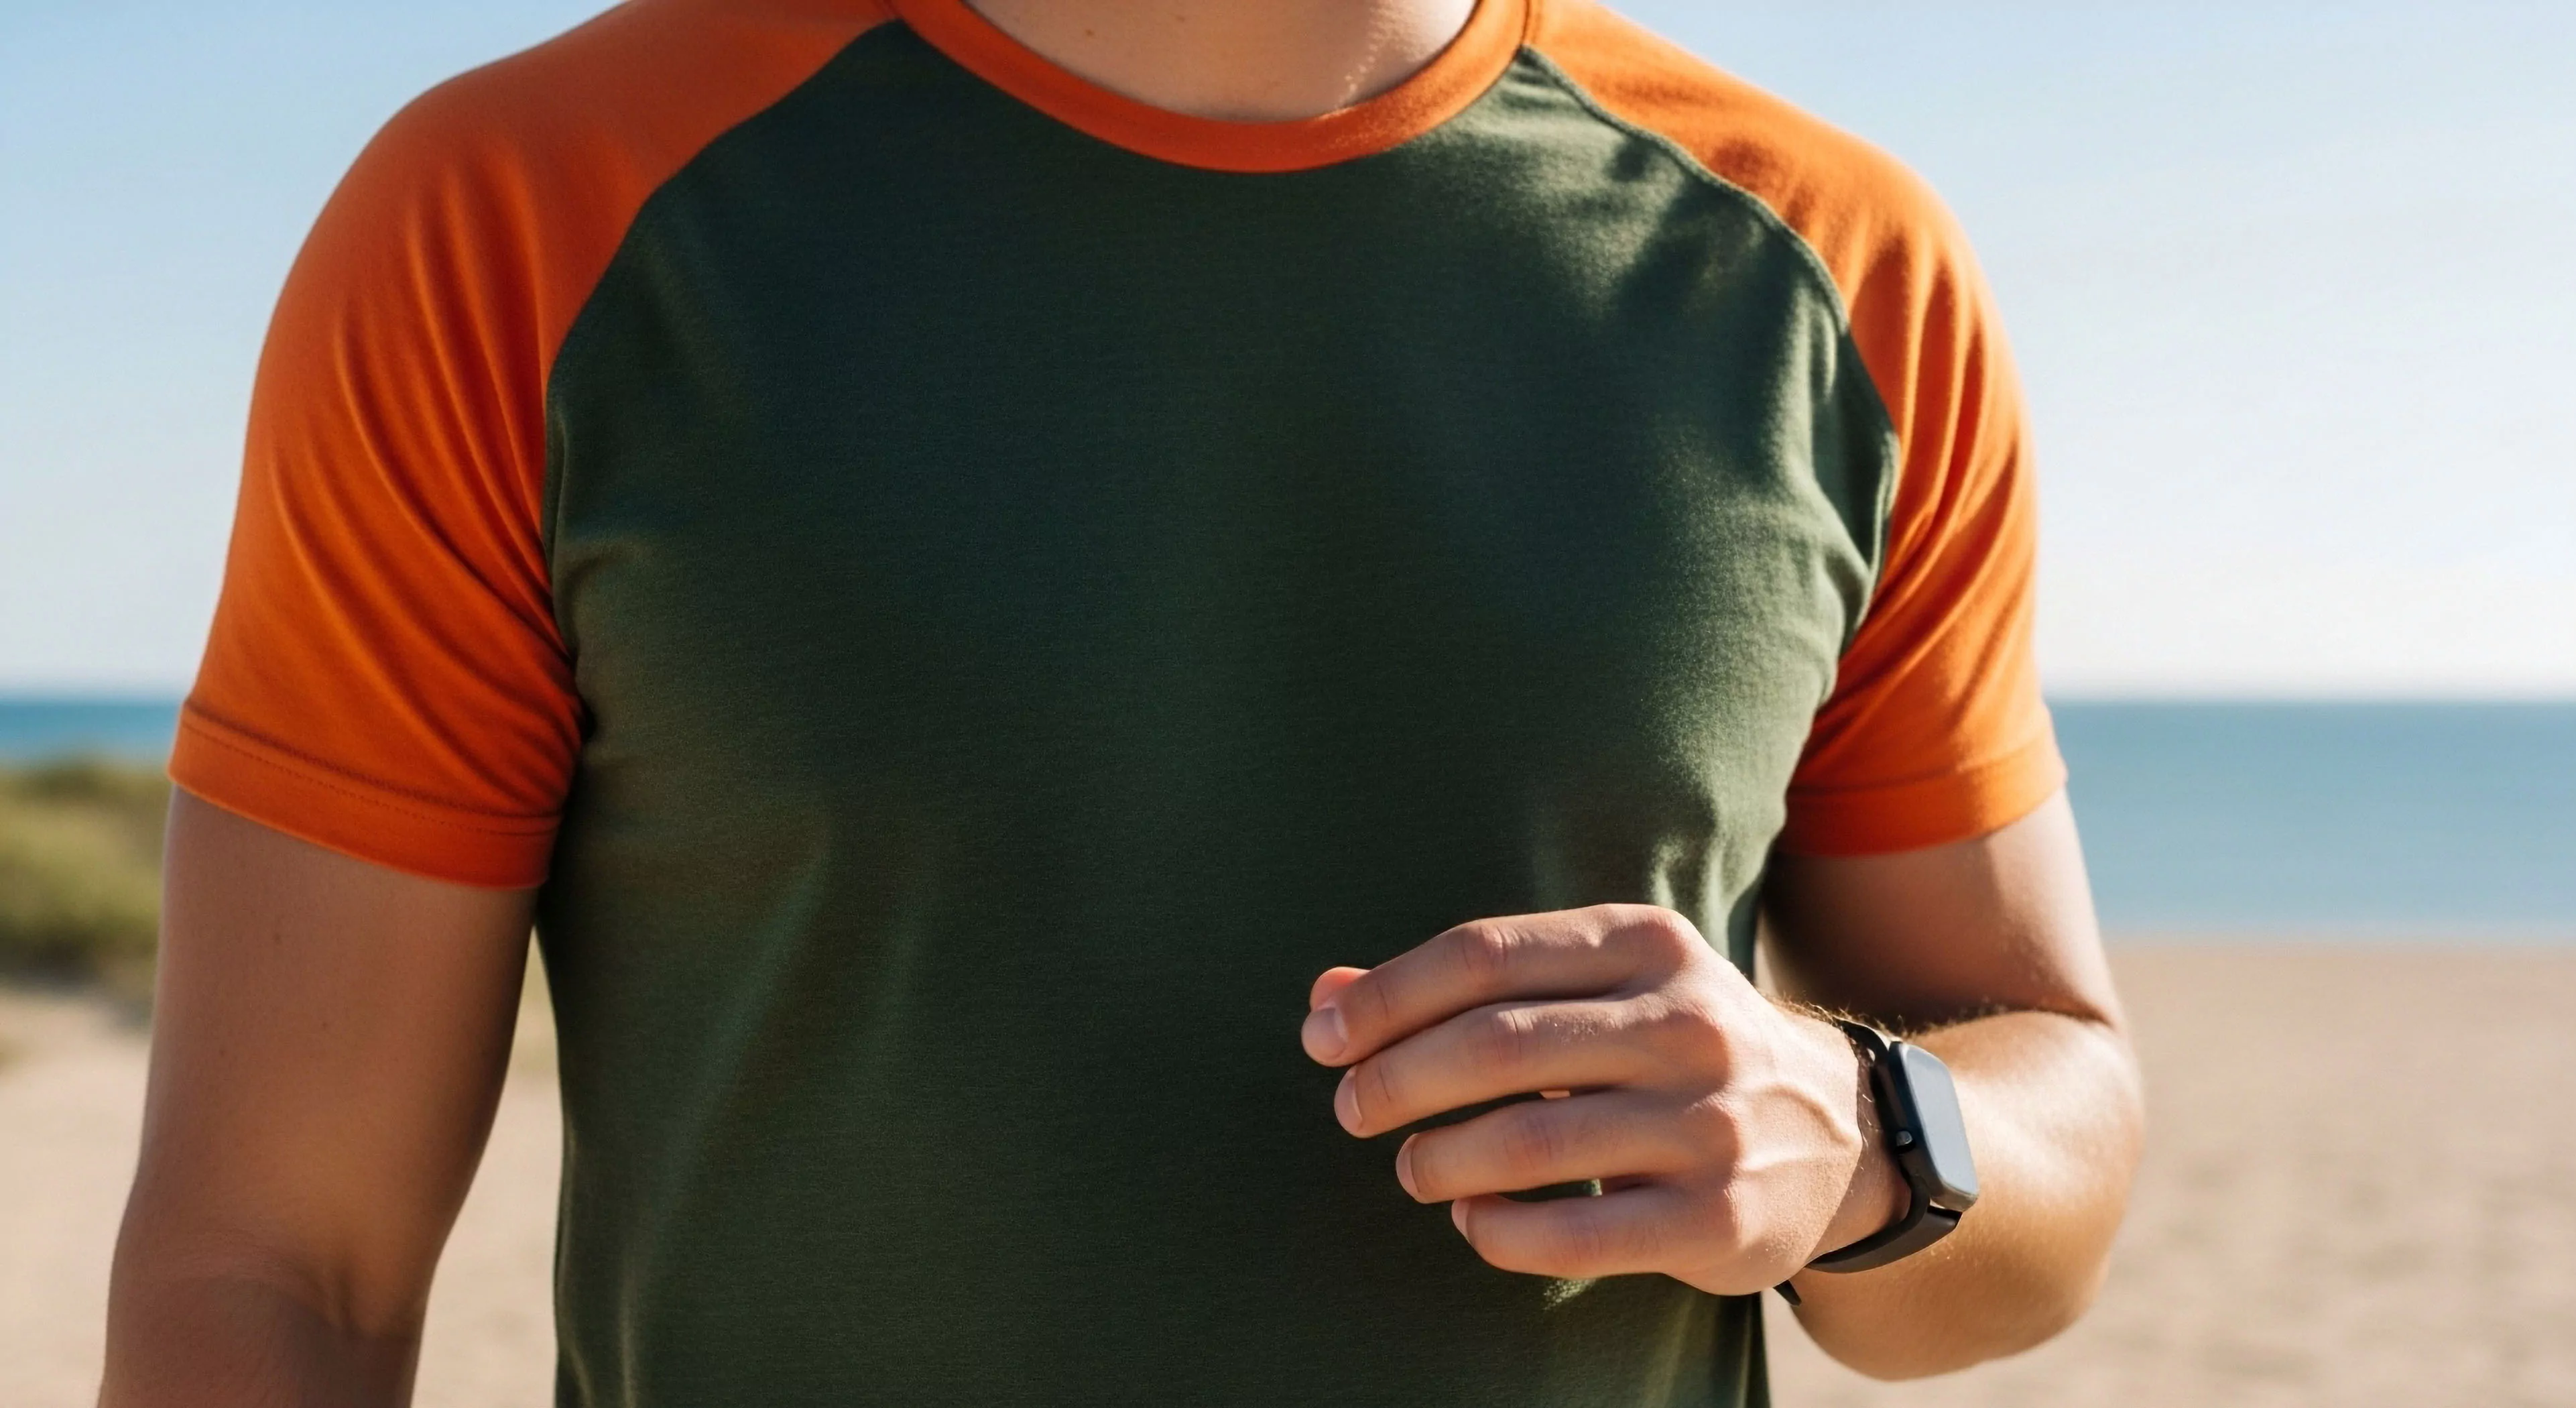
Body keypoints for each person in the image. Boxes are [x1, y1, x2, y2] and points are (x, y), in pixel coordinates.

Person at [101, 0, 2144, 1403]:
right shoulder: (522, 222)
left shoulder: (1835, 275)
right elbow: (273, 1267)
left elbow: (2058, 1132)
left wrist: (1859, 1129)